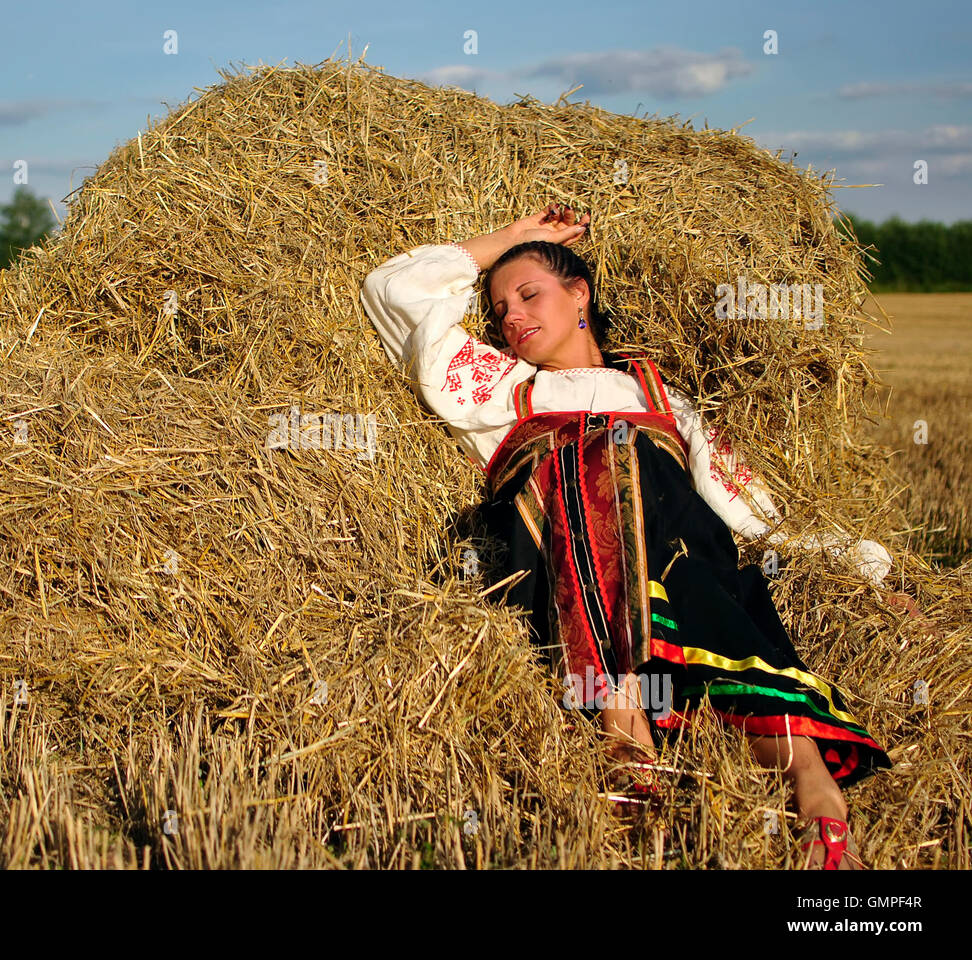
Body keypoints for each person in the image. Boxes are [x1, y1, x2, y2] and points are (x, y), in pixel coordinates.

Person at [359, 205, 897, 869]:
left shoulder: (665, 399)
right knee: (589, 459)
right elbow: (392, 289)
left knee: (710, 570)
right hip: (548, 557)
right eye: (499, 312)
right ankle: (622, 729)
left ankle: (814, 798)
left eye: (530, 294)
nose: (512, 319)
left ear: (580, 293)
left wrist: (852, 565)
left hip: (676, 570)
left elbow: (749, 512)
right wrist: (514, 240)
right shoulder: (499, 390)